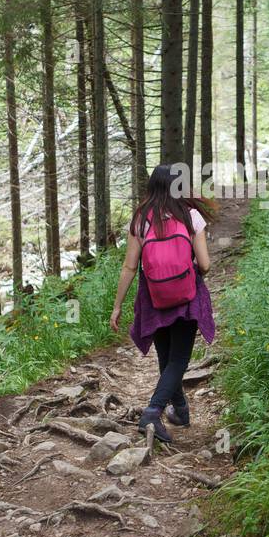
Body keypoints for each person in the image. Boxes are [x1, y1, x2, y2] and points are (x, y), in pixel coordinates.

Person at [110, 163, 215, 443]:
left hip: (154, 298)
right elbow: (204, 265)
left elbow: (129, 267)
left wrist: (118, 306)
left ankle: (180, 410)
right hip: (186, 298)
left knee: (167, 359)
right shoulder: (190, 215)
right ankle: (153, 411)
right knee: (179, 360)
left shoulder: (141, 219)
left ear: (152, 187)